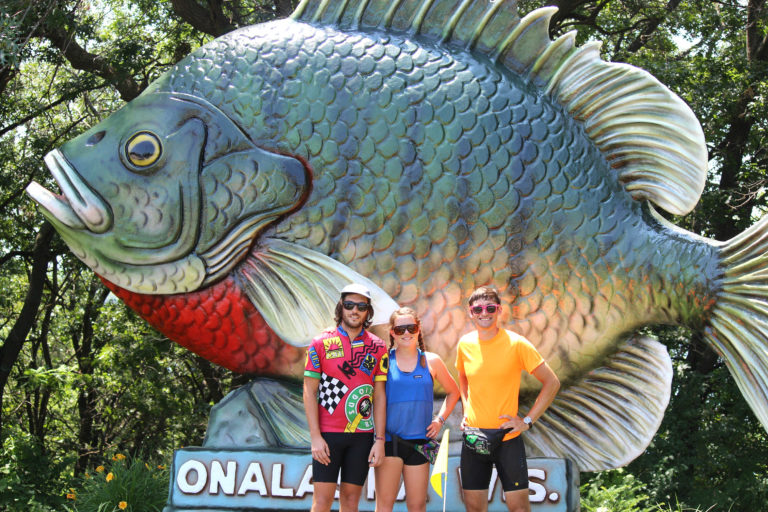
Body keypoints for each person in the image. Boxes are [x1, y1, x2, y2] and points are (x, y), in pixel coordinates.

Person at [456, 286, 560, 512]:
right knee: (474, 508)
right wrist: (466, 409)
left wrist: (527, 421)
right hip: (475, 437)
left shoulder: (517, 343)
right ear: (471, 312)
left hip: (507, 438)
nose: (484, 313)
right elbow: (462, 379)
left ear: (499, 310)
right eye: (478, 309)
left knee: (519, 508)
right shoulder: (464, 344)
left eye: (490, 308)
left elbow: (552, 383)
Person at [303, 283, 389, 512]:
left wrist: (379, 440)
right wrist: (315, 437)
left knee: (351, 502)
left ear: (368, 311)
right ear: (341, 306)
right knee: (321, 502)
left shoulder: (378, 347)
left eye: (361, 306)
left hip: (361, 436)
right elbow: (309, 392)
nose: (355, 310)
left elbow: (379, 396)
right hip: (328, 435)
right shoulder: (320, 342)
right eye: (350, 305)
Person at [375, 307, 460, 512]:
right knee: (384, 507)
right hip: (390, 442)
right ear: (393, 332)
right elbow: (374, 399)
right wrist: (377, 439)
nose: (406, 333)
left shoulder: (431, 361)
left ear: (418, 329)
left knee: (417, 506)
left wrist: (439, 420)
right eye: (400, 329)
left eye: (411, 327)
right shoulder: (384, 361)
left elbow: (454, 393)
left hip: (419, 444)